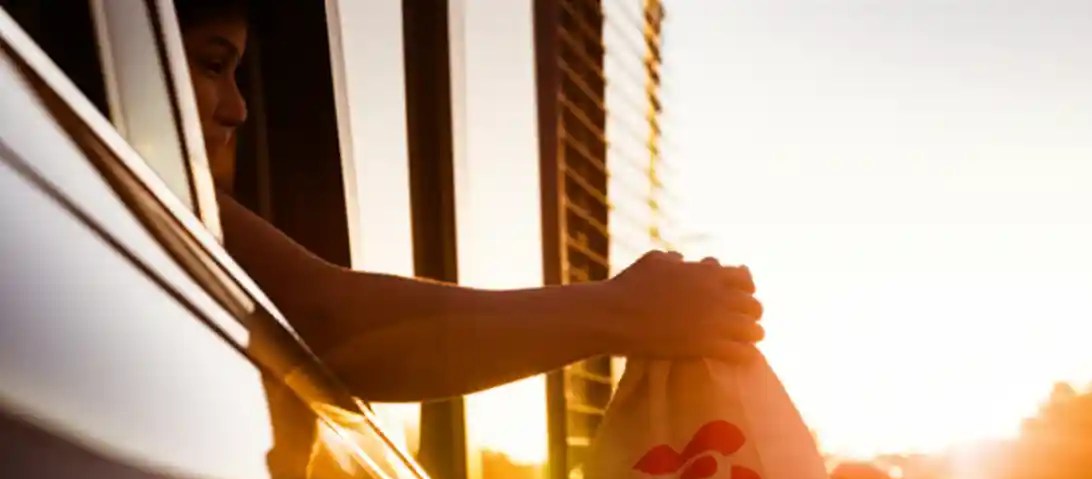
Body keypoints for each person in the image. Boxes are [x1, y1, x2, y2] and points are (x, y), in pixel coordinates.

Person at [176, 0, 764, 403]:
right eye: (211, 64)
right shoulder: (152, 202)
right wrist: (624, 311)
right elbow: (322, 324)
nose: (238, 109)